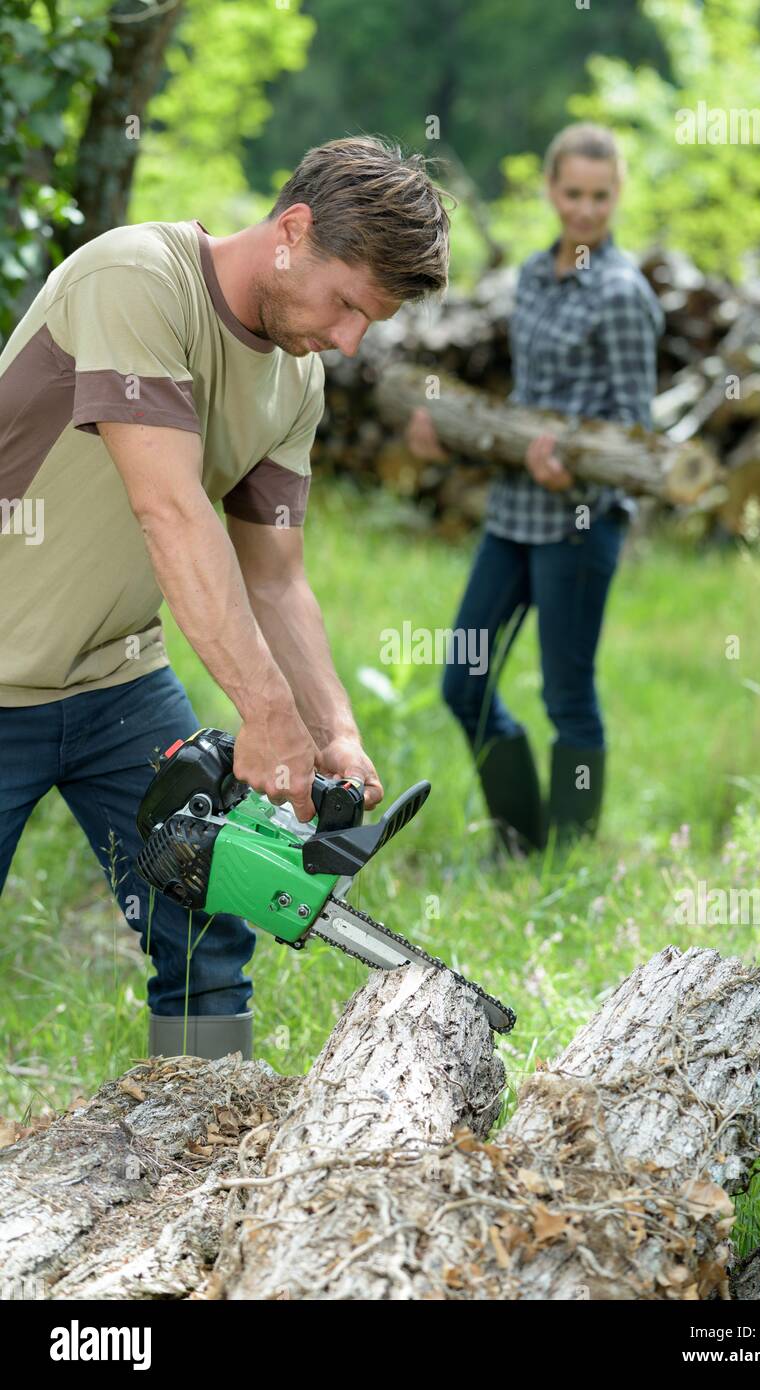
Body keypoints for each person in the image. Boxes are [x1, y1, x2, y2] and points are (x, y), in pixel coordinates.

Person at [0, 137, 451, 1060]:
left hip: (113, 676)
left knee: (212, 911)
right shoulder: (135, 279)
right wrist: (265, 714)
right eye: (347, 305)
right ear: (292, 232)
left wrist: (332, 729)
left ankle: (196, 1153)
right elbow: (167, 507)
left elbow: (274, 573)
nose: (350, 339)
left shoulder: (296, 377)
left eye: (373, 321)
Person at [407, 123, 664, 858]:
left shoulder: (623, 295)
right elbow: (521, 402)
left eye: (601, 196)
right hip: (514, 511)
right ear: (552, 191)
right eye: (573, 193)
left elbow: (633, 427)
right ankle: (516, 842)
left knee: (566, 698)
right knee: (462, 681)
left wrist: (575, 463)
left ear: (616, 196)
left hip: (580, 521)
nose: (585, 210)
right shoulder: (528, 274)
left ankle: (568, 858)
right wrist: (449, 430)